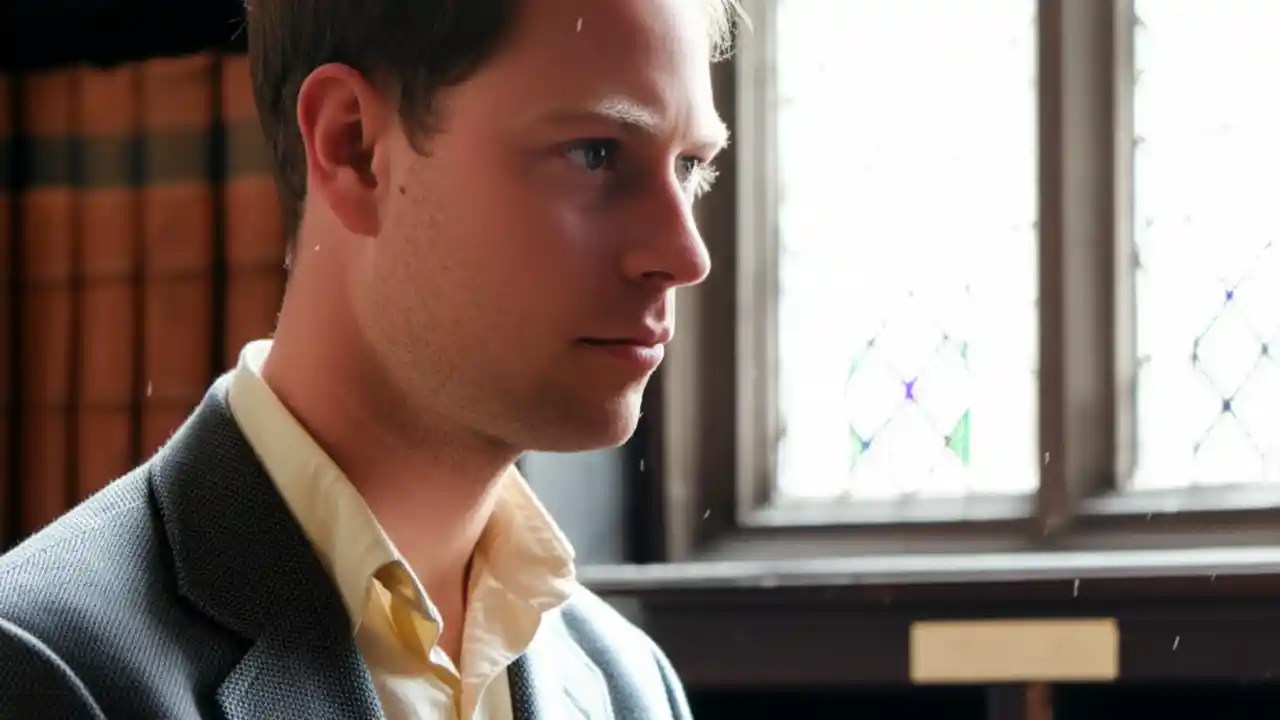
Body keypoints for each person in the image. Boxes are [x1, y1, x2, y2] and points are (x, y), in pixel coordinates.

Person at [0, 0, 740, 716]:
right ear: (352, 146)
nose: (685, 253)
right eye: (596, 154)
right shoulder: (49, 674)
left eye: (689, 167)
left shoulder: (627, 682)